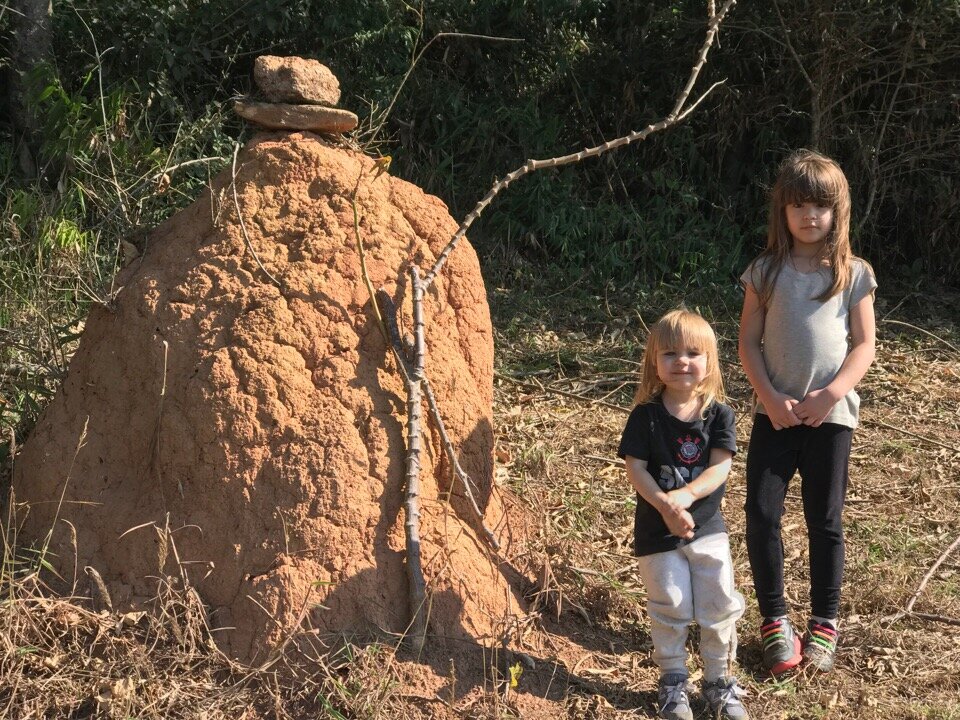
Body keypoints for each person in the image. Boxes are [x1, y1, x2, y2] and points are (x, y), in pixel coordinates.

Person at [738, 150, 877, 675]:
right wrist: (771, 398)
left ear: (837, 211)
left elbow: (864, 345)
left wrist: (830, 394)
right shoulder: (765, 271)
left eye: (820, 205)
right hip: (773, 415)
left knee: (825, 519)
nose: (809, 215)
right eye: (798, 204)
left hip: (830, 419)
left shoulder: (853, 274)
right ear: (783, 211)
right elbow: (748, 342)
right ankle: (775, 621)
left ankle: (824, 624)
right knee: (762, 514)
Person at [619, 309, 748, 720]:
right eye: (670, 352)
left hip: (708, 528)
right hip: (656, 532)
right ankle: (674, 680)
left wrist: (686, 497)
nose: (682, 361)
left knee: (718, 601)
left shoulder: (720, 415)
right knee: (670, 602)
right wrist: (666, 505)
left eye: (693, 352)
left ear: (709, 361)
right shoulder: (645, 416)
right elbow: (635, 469)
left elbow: (720, 467)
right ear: (654, 362)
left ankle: (718, 680)